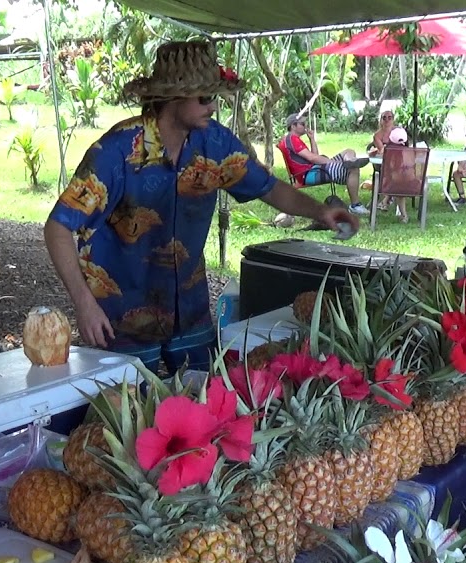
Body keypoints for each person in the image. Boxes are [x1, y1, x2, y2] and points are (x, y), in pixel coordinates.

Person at [44, 41, 358, 372]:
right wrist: (84, 304)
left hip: (190, 312)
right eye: (205, 98)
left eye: (216, 96)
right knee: (130, 416)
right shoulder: (117, 151)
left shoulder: (216, 143)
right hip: (122, 318)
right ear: (174, 97)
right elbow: (58, 227)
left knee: (205, 402)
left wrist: (319, 212)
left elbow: (269, 188)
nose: (213, 106)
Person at [279, 113, 371, 215]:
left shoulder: (292, 139)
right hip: (309, 174)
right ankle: (355, 206)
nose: (306, 126)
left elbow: (314, 155)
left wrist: (312, 139)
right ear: (293, 126)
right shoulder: (292, 139)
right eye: (302, 124)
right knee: (353, 169)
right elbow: (313, 158)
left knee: (349, 151)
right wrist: (335, 163)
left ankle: (350, 161)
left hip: (314, 169)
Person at [369, 109, 397, 210]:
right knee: (390, 171)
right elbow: (382, 150)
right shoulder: (377, 135)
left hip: (398, 161)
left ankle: (387, 198)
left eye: (389, 118)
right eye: (384, 118)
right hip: (384, 162)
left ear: (393, 119)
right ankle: (387, 197)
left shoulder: (398, 132)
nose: (387, 120)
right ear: (380, 120)